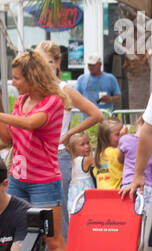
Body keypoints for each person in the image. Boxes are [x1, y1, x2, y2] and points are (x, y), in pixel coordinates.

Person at [0, 49, 67, 251]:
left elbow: (31, 123)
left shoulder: (53, 101)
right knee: (11, 236)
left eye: (18, 77)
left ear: (33, 77)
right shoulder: (21, 101)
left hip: (45, 182)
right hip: (17, 179)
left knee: (52, 239)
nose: (13, 82)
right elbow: (8, 137)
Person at [35, 40, 103, 232]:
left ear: (57, 62)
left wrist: (69, 133)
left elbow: (96, 114)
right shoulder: (36, 91)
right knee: (38, 217)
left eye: (47, 61)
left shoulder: (65, 89)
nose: (42, 66)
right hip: (37, 158)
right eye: (38, 61)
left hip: (58, 156)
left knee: (58, 218)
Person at [65, 130, 95, 215]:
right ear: (73, 148)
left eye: (88, 143)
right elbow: (102, 164)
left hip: (73, 198)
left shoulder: (71, 161)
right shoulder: (86, 160)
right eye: (82, 144)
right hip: (84, 198)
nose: (87, 146)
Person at [92, 117, 124, 189]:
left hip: (103, 196)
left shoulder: (99, 156)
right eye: (118, 134)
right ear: (105, 137)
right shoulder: (114, 153)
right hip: (116, 195)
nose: (122, 136)